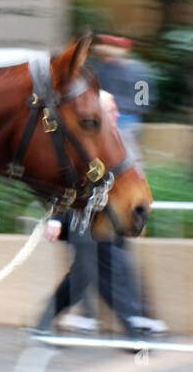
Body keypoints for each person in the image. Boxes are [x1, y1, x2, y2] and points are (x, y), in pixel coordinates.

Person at [34, 91, 168, 338]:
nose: (117, 112)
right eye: (111, 108)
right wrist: (54, 219)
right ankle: (132, 333)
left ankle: (41, 325)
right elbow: (62, 182)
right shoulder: (82, 144)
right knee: (104, 275)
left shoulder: (115, 141)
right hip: (84, 223)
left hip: (108, 220)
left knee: (80, 279)